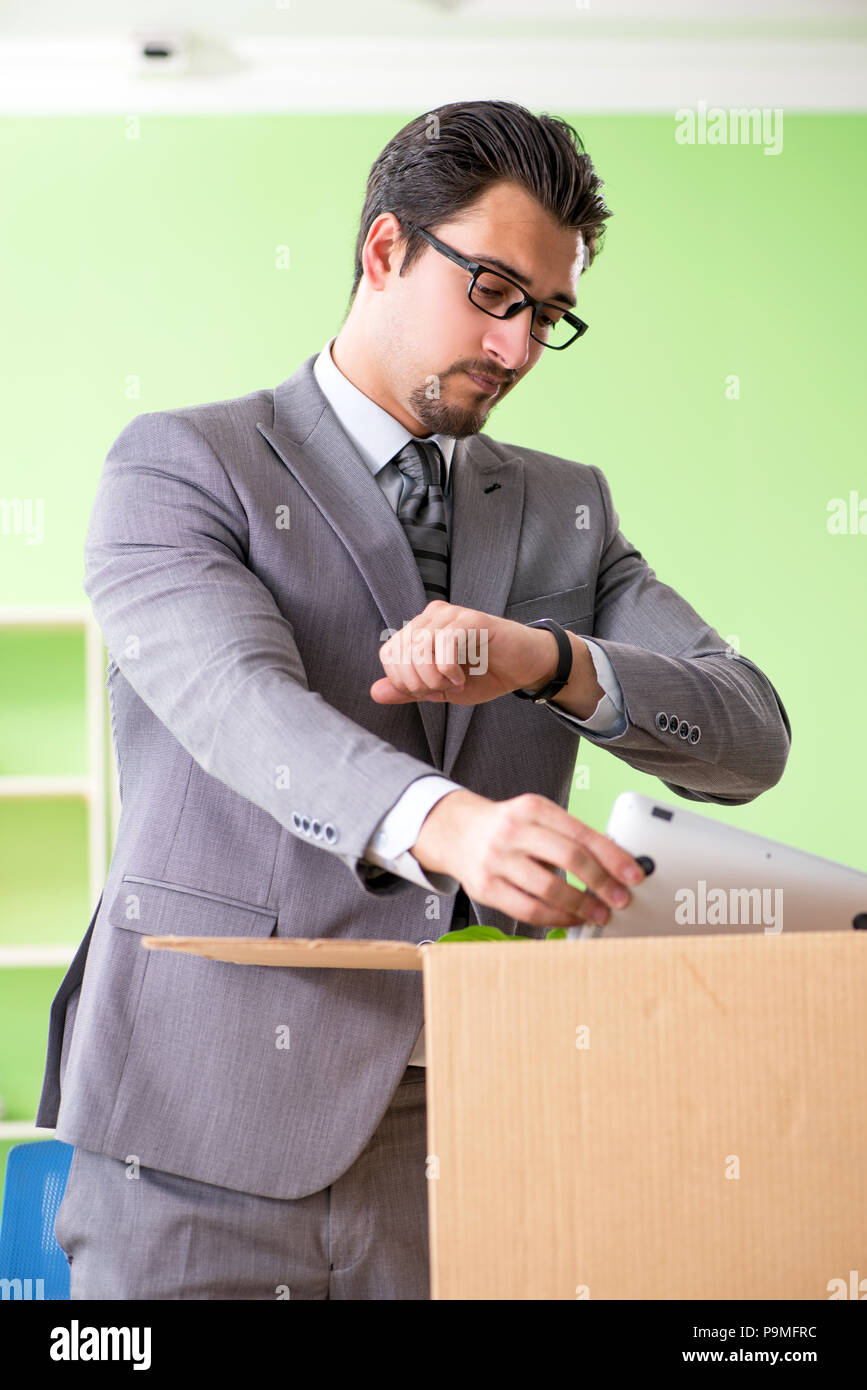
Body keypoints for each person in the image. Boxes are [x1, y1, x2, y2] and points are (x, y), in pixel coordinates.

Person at [37, 98, 790, 1300]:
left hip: (472, 1136)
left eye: (549, 314)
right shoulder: (183, 465)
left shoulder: (568, 510)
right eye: (494, 292)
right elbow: (237, 702)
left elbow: (748, 731)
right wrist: (456, 827)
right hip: (193, 1135)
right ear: (385, 251)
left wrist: (550, 659)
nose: (519, 348)